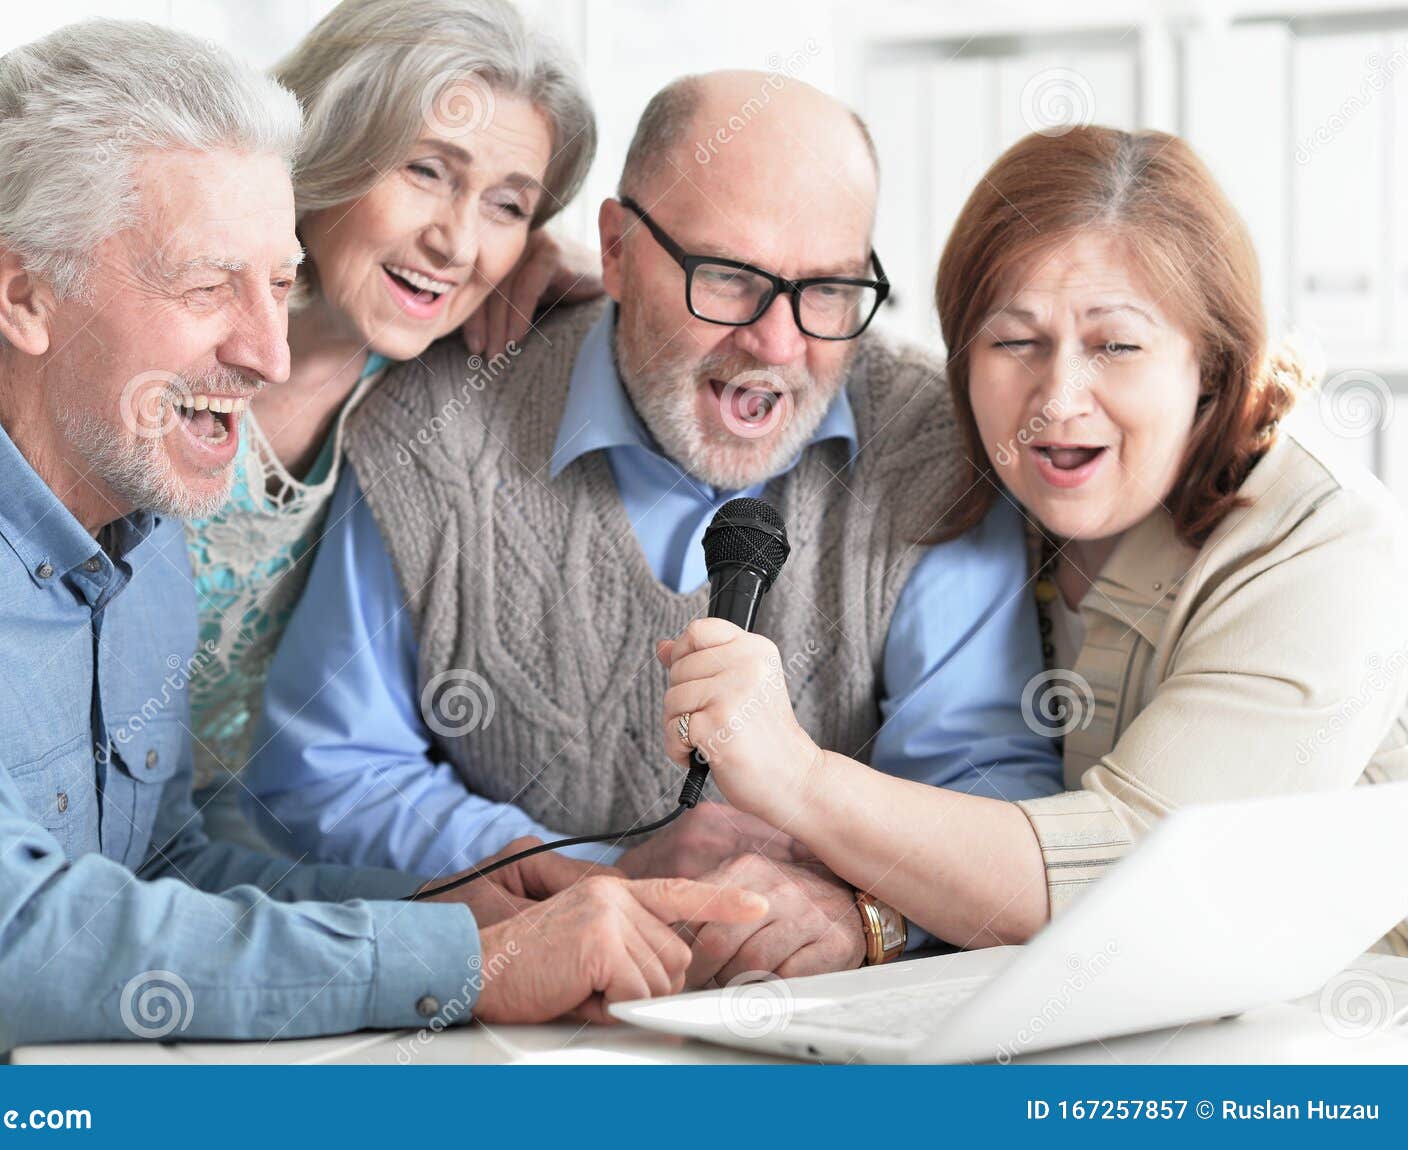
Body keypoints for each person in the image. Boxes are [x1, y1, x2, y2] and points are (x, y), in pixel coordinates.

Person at [0, 19, 767, 1064]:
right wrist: (460, 960)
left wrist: (468, 909)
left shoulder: (147, 486)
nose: (264, 355)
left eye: (278, 282)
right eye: (210, 286)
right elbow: (3, 946)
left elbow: (158, 866)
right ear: (26, 294)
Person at [246, 71, 1064, 984]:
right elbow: (323, 773)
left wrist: (869, 912)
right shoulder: (432, 428)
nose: (779, 345)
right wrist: (598, 874)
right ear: (618, 249)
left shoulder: (935, 446)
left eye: (829, 289)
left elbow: (995, 790)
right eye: (727, 277)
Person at [0, 0, 602, 849]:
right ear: (332, 148)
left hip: (218, 854)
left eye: (508, 206)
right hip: (28, 829)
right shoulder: (82, 314)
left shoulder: (432, 368)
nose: (456, 241)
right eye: (427, 171)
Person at [656, 125, 1408, 955]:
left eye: (1115, 344)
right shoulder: (1002, 491)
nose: (1057, 397)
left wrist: (800, 778)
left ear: (1216, 366)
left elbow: (1135, 878)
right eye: (1015, 341)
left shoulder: (1325, 544)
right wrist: (572, 292)